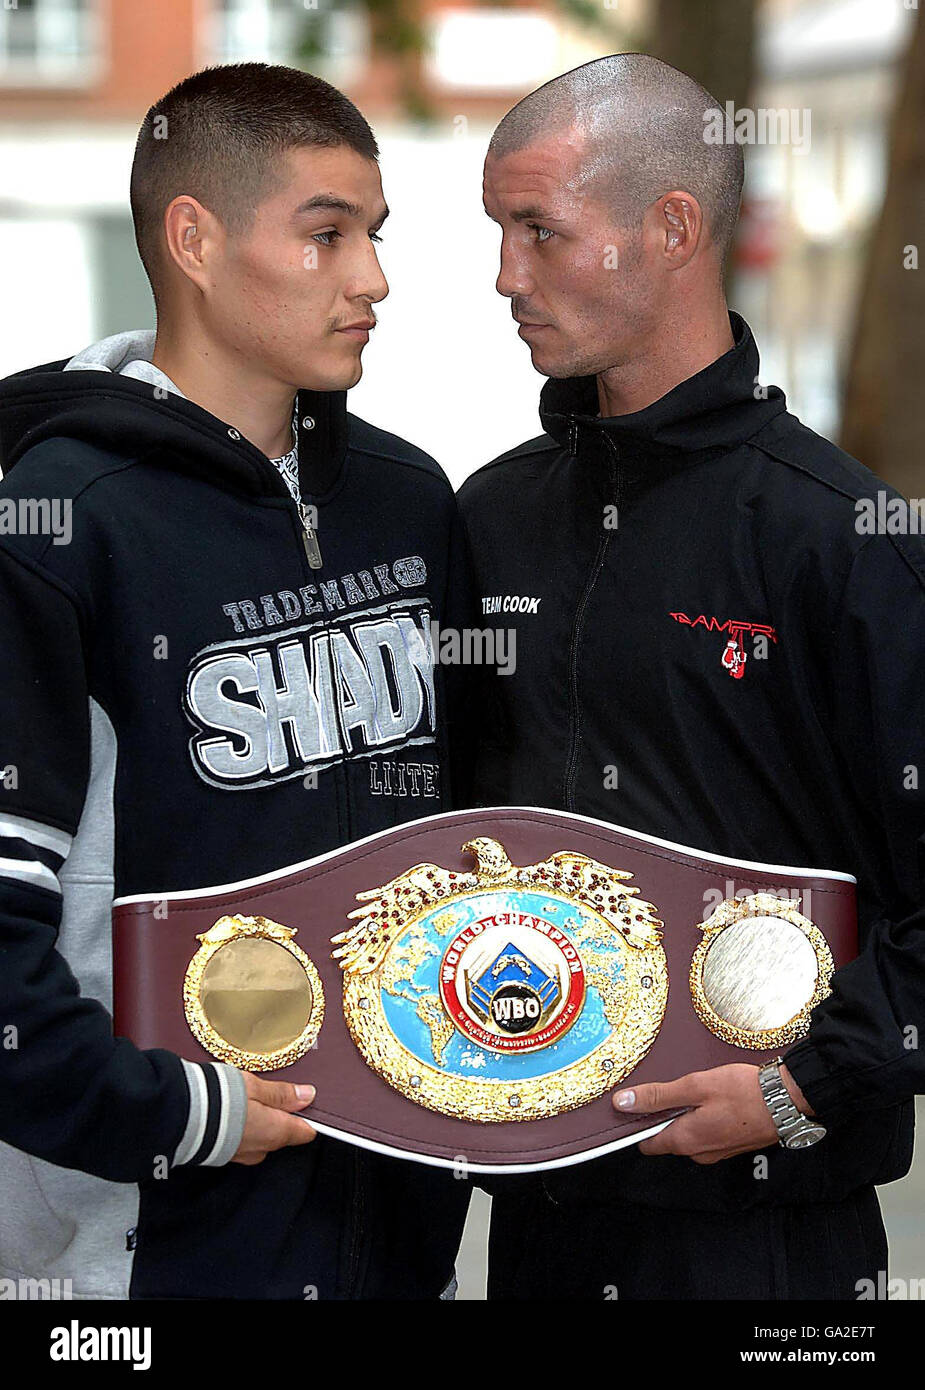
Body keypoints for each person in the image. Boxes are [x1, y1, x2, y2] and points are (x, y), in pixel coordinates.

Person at [0, 62, 473, 1300]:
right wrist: (180, 1114)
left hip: (393, 1216)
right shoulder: (58, 522)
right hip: (146, 1244)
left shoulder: (410, 499)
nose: (372, 279)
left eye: (374, 236)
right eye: (326, 235)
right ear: (195, 239)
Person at [457, 52, 925, 1300]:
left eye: (538, 231)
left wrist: (796, 1092)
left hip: (766, 1239)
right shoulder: (488, 516)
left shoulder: (843, 537)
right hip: (541, 1215)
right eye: (499, 233)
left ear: (670, 227)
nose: (505, 276)